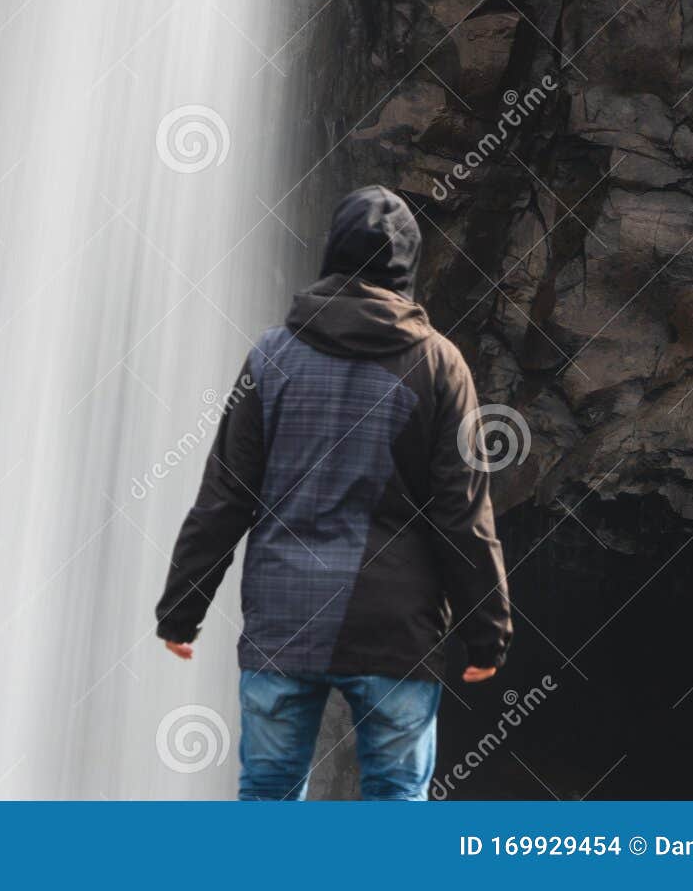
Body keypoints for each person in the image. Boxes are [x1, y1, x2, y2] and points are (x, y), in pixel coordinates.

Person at [154, 184, 511, 801]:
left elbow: (226, 497)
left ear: (332, 256)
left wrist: (182, 610)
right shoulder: (439, 363)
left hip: (286, 621)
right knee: (395, 799)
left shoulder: (271, 358)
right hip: (396, 626)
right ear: (408, 269)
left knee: (268, 794)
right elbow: (462, 514)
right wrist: (488, 630)